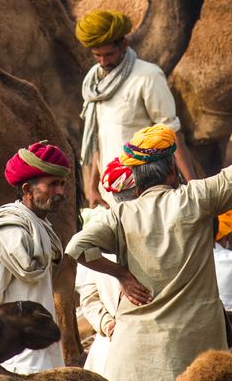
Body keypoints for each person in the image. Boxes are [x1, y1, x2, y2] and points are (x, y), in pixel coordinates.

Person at [66, 124, 232, 380]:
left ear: (136, 177)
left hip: (131, 360)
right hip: (194, 361)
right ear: (171, 168)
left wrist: (121, 274)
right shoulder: (198, 198)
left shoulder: (119, 215)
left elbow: (76, 248)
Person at [0, 141, 69, 374]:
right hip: (15, 362)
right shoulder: (10, 233)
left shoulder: (40, 227)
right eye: (53, 184)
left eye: (62, 184)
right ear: (27, 189)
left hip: (43, 353)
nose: (60, 192)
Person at [76, 9, 198, 208]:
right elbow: (99, 138)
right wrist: (92, 187)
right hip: (109, 192)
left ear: (124, 44)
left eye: (108, 54)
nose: (103, 62)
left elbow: (171, 133)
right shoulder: (95, 82)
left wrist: (194, 187)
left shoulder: (148, 76)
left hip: (145, 189)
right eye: (97, 55)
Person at [77, 159, 136, 375]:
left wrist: (107, 324)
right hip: (129, 350)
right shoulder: (160, 236)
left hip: (106, 353)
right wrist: (108, 325)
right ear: (140, 192)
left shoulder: (98, 237)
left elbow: (89, 297)